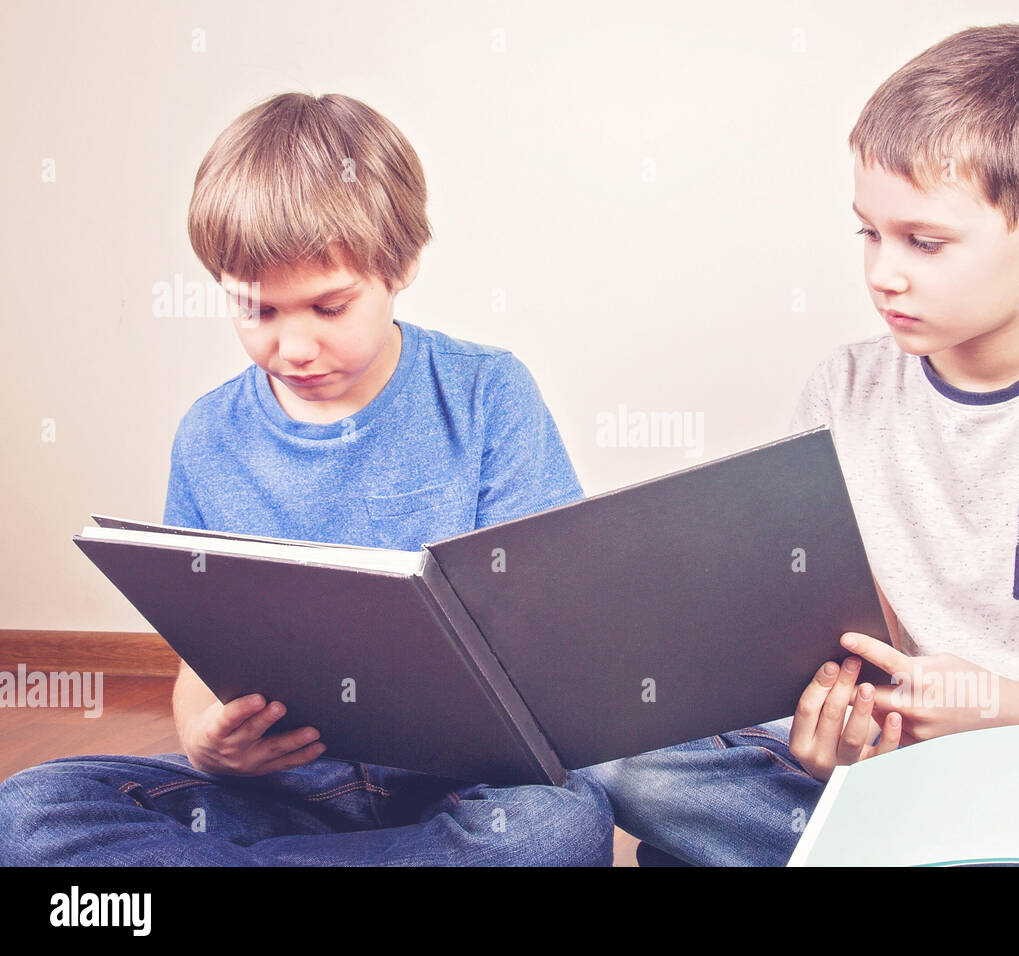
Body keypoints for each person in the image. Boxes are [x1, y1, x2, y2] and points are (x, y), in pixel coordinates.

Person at [586, 22, 1019, 867]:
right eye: (870, 234)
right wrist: (836, 733)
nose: (883, 273)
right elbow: (833, 650)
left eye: (925, 242)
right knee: (625, 761)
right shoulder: (843, 389)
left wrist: (997, 705)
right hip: (892, 760)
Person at [0, 92, 612, 866]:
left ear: (402, 267)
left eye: (329, 307)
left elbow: (557, 615)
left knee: (558, 827)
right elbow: (199, 653)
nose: (293, 346)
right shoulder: (208, 434)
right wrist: (204, 743)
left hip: (464, 792)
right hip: (284, 797)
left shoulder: (487, 393)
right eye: (255, 309)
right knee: (30, 812)